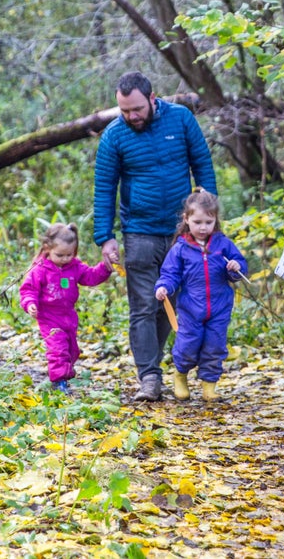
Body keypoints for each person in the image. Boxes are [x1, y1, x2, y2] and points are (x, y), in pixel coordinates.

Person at [93, 71, 218, 402]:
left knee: (170, 303)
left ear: (152, 98)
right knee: (144, 306)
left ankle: (161, 366)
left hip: (181, 232)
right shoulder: (114, 135)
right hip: (139, 232)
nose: (131, 116)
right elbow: (104, 188)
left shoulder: (181, 119)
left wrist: (208, 216)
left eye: (137, 109)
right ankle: (149, 377)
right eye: (124, 111)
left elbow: (202, 165)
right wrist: (105, 237)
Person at [154, 191, 248, 402]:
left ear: (215, 220)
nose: (203, 227)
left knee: (215, 345)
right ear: (186, 219)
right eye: (197, 222)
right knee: (188, 345)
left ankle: (209, 385)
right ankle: (180, 375)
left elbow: (239, 267)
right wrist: (164, 287)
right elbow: (170, 273)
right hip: (191, 308)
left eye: (208, 222)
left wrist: (236, 268)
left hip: (219, 307)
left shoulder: (223, 244)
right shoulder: (180, 248)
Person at [19, 223, 114, 393]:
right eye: (60, 255)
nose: (65, 259)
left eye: (69, 254)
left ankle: (65, 373)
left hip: (69, 316)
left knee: (72, 350)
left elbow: (91, 277)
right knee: (57, 348)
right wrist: (30, 303)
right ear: (47, 248)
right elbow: (28, 289)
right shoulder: (40, 269)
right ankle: (59, 382)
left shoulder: (75, 266)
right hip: (48, 316)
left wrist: (105, 267)